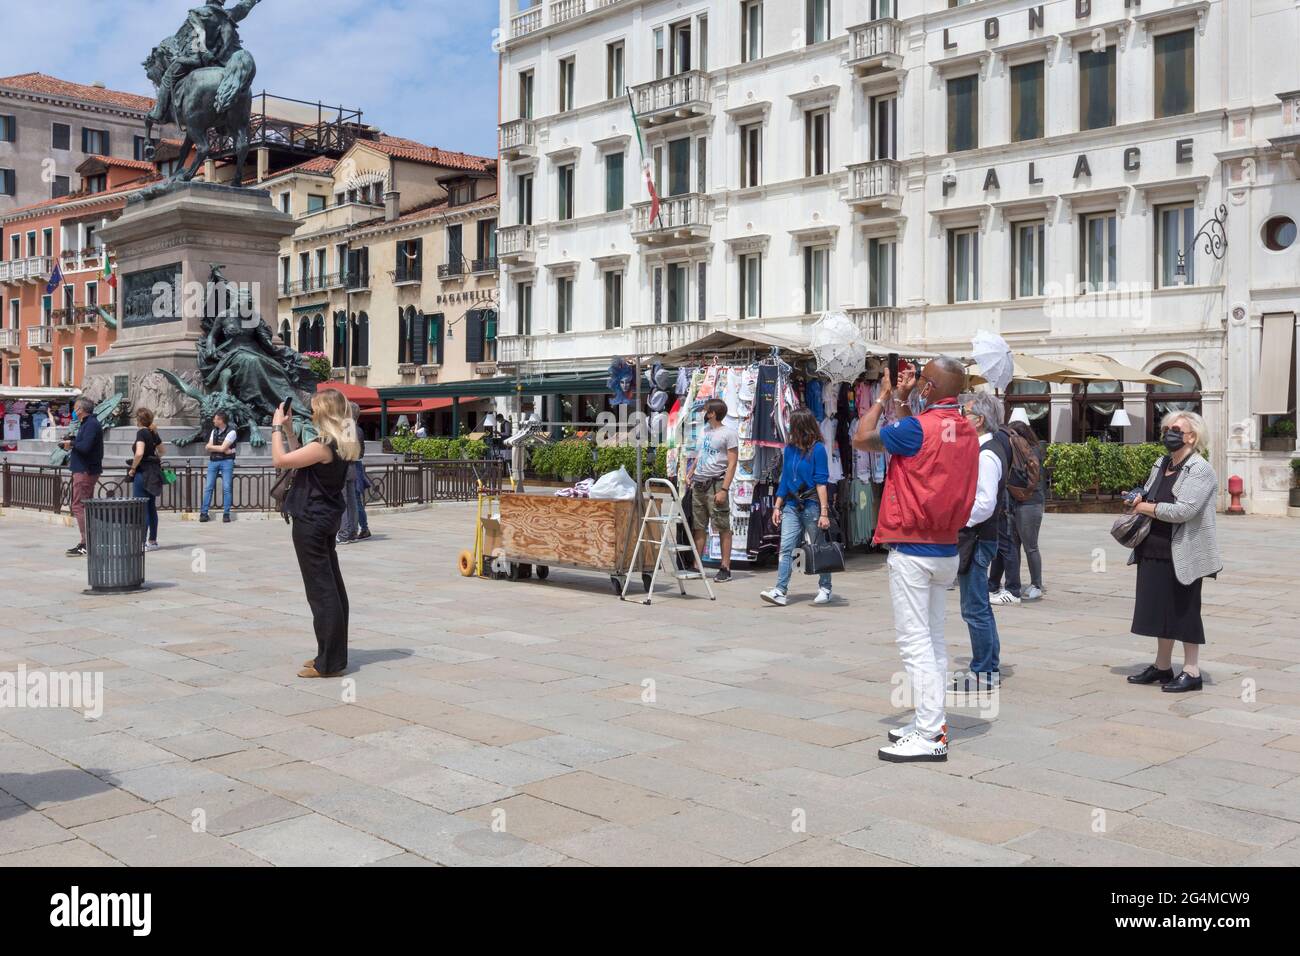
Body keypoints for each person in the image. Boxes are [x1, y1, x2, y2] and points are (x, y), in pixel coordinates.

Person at [853, 357, 978, 762]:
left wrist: (886, 397)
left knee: (914, 642)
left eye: (922, 380)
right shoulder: (966, 430)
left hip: (912, 548)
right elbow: (923, 437)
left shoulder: (914, 429)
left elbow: (862, 437)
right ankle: (932, 720)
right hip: (945, 547)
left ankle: (929, 734)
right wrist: (907, 403)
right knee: (935, 640)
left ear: (928, 387)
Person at [1126, 412, 1222, 693]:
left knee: (1184, 610)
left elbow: (1185, 511)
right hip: (1153, 546)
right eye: (1166, 428)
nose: (1169, 432)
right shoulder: (1162, 462)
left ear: (1192, 436)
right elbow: (1149, 491)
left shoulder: (1200, 469)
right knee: (1158, 609)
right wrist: (1137, 496)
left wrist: (1143, 507)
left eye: (1176, 429)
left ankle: (1192, 671)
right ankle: (1163, 666)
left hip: (1185, 550)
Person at [272, 388, 360, 679]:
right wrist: (288, 430)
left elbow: (282, 461)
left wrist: (274, 427)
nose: (310, 413)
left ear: (324, 413)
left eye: (314, 409)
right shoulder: (344, 441)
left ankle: (329, 663)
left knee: (321, 591)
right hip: (326, 517)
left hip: (311, 519)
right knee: (332, 586)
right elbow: (300, 456)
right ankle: (331, 654)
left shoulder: (325, 445)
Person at [957, 391, 1010, 685]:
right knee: (979, 606)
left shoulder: (987, 453)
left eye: (964, 414)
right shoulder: (984, 448)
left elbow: (985, 503)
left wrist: (958, 520)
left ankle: (985, 671)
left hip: (978, 537)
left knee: (974, 607)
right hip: (980, 536)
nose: (960, 418)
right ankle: (988, 665)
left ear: (978, 420)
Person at [761, 407, 835, 607]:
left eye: (792, 424)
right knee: (786, 548)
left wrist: (824, 512)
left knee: (819, 547)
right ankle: (780, 590)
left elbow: (821, 482)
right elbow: (785, 479)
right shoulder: (790, 449)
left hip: (811, 504)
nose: (789, 428)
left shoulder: (818, 449)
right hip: (791, 505)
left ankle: (825, 587)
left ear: (801, 426)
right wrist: (777, 506)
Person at [988, 420, 1046, 604]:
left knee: (1030, 545)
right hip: (1017, 501)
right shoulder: (1024, 450)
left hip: (1030, 503)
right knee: (1013, 544)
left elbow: (1029, 478)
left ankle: (1036, 584)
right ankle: (1014, 582)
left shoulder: (1032, 451)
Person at [686, 397, 739, 583]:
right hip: (699, 483)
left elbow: (732, 464)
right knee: (699, 526)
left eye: (706, 410)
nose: (703, 413)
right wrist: (691, 471)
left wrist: (724, 489)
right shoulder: (705, 430)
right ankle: (696, 565)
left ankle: (725, 567)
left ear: (713, 413)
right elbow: (701, 453)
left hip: (716, 483)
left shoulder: (729, 433)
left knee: (722, 525)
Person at [63, 396, 104, 557]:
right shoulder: (88, 424)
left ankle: (86, 542)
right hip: (84, 469)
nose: (74, 411)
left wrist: (70, 444)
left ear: (81, 410)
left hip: (85, 470)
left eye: (75, 408)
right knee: (84, 505)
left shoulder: (91, 424)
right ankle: (85, 542)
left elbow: (85, 447)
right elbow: (85, 443)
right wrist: (72, 440)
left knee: (79, 506)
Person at [127, 408, 165, 552]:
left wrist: (133, 468)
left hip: (143, 473)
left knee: (141, 508)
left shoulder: (141, 432)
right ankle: (153, 541)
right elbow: (162, 451)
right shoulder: (153, 432)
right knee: (151, 508)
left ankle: (141, 541)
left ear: (138, 419)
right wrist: (154, 459)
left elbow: (139, 453)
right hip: (154, 473)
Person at [337, 402, 370, 543]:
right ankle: (352, 532)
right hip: (353, 466)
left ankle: (345, 533)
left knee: (346, 501)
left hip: (345, 467)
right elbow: (358, 452)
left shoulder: (347, 427)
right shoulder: (356, 429)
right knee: (353, 501)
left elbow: (344, 451)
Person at [200, 410, 238, 523]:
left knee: (226, 487)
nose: (213, 420)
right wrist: (222, 448)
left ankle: (226, 514)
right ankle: (204, 513)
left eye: (215, 419)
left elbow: (218, 447)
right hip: (214, 461)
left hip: (227, 461)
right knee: (208, 487)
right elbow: (208, 447)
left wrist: (216, 447)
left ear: (221, 420)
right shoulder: (214, 431)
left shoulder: (232, 432)